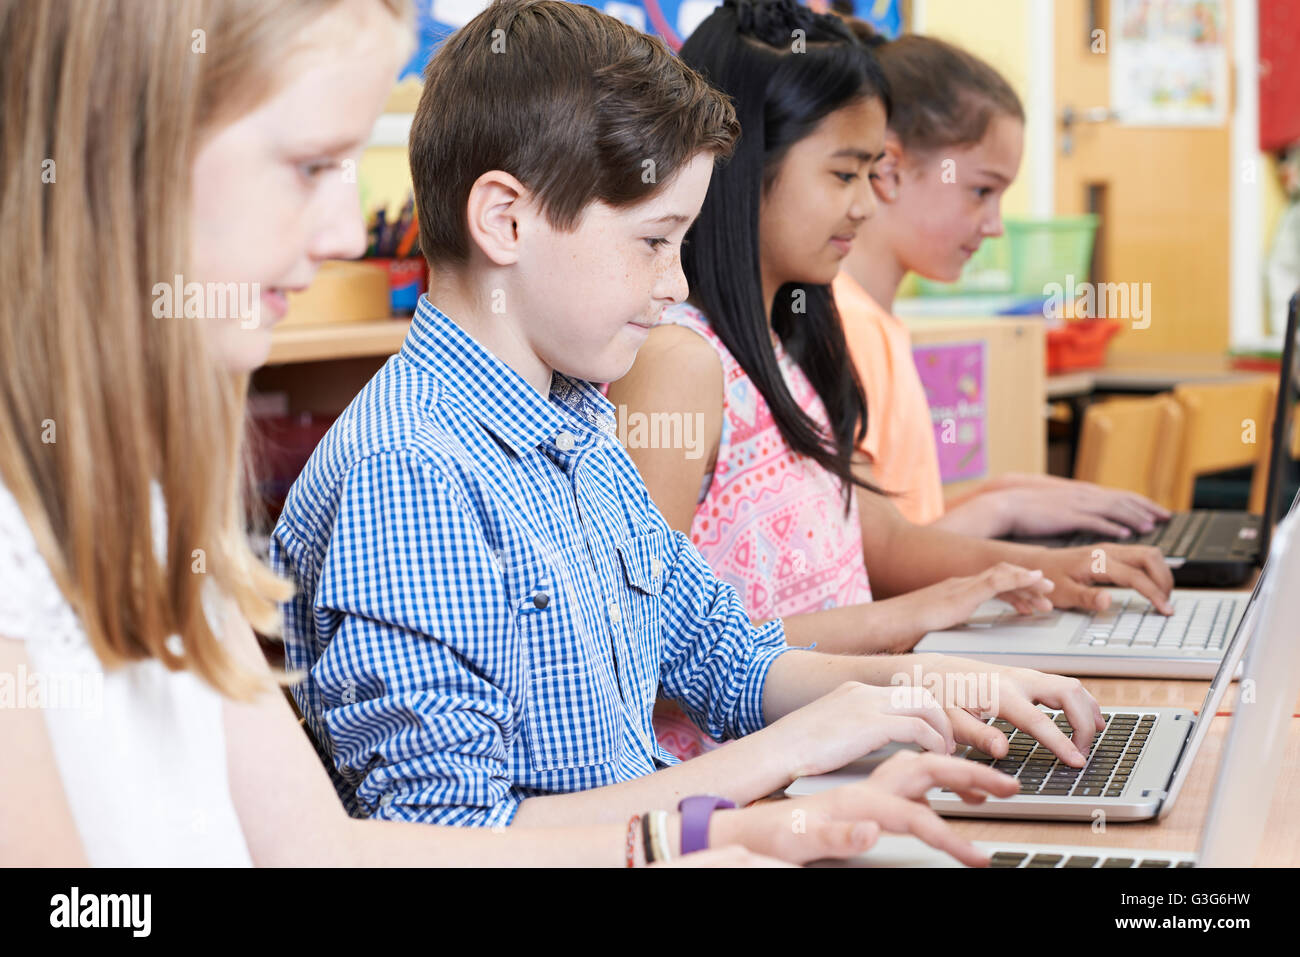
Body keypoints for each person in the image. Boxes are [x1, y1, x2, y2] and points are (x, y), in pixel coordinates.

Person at [0, 0, 1015, 869]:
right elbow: (432, 831)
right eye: (310, 164)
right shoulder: (407, 469)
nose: (347, 232)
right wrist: (748, 797)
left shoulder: (148, 511)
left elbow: (325, 850)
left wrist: (728, 828)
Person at [272, 0, 1106, 835]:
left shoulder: (578, 428)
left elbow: (728, 658)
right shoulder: (412, 472)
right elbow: (446, 838)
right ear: (506, 219)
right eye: (653, 242)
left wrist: (931, 686)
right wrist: (778, 762)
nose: (677, 285)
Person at [835, 25, 1171, 540]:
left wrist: (1001, 493)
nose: (994, 225)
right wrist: (1002, 509)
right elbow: (870, 565)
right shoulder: (843, 326)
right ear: (890, 168)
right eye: (980, 191)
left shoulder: (872, 319)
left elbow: (905, 526)